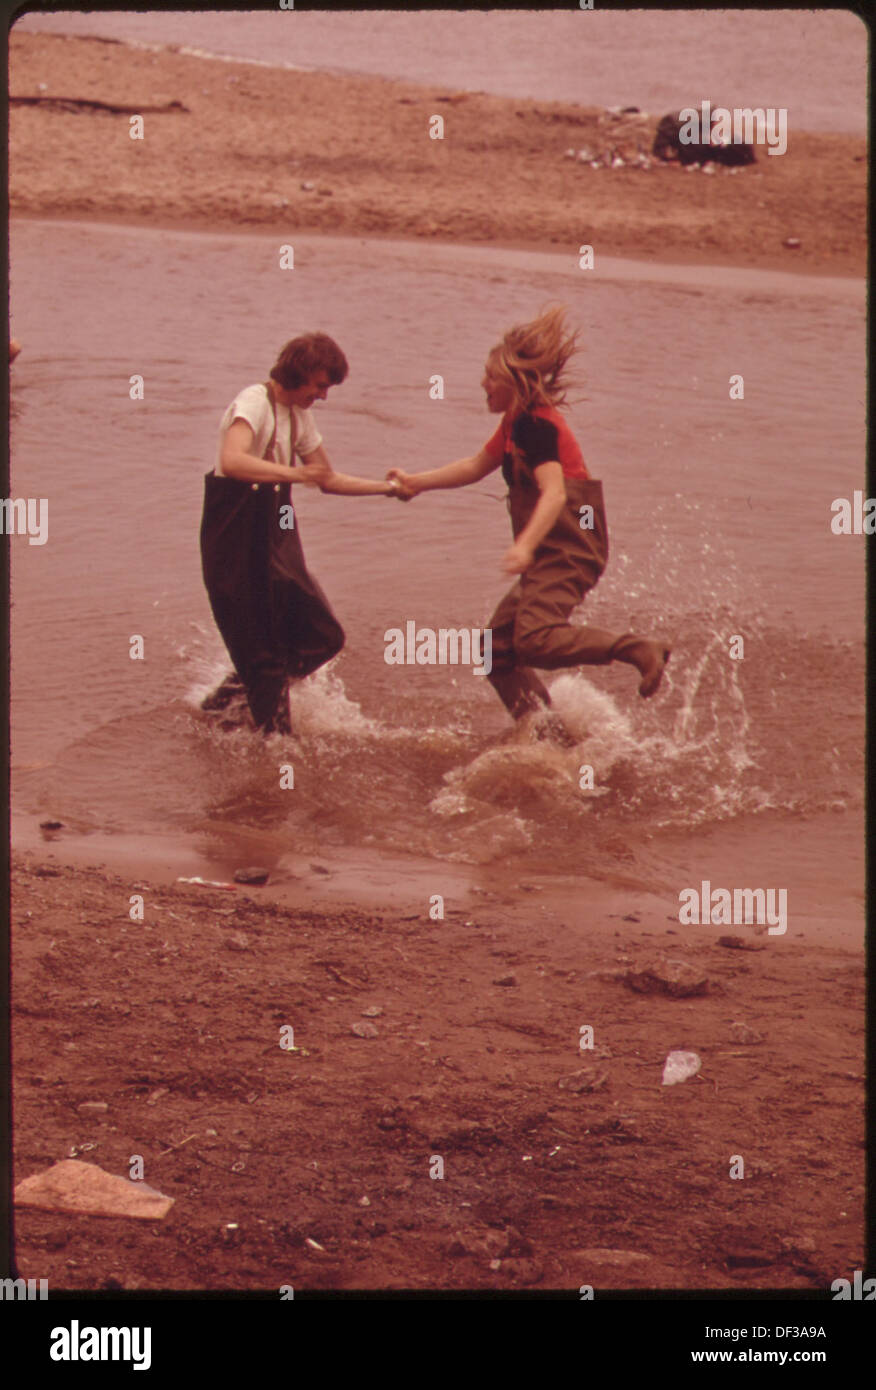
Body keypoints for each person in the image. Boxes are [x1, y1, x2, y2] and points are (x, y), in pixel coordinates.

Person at [387, 307, 670, 742]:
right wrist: (415, 484)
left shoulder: (537, 428)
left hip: (568, 550)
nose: (483, 385)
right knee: (495, 651)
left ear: (515, 383)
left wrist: (523, 549)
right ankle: (549, 735)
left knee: (536, 640)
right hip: (547, 552)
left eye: (490, 377)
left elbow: (555, 492)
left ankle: (636, 649)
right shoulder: (514, 423)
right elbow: (476, 464)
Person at [200, 332, 399, 734]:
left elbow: (324, 478)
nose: (324, 395)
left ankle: (224, 705)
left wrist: (390, 488)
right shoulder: (253, 403)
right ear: (301, 372)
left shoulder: (298, 414)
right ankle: (269, 744)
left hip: (275, 543)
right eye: (321, 385)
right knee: (265, 663)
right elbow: (232, 459)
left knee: (322, 636)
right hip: (234, 548)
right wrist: (294, 473)